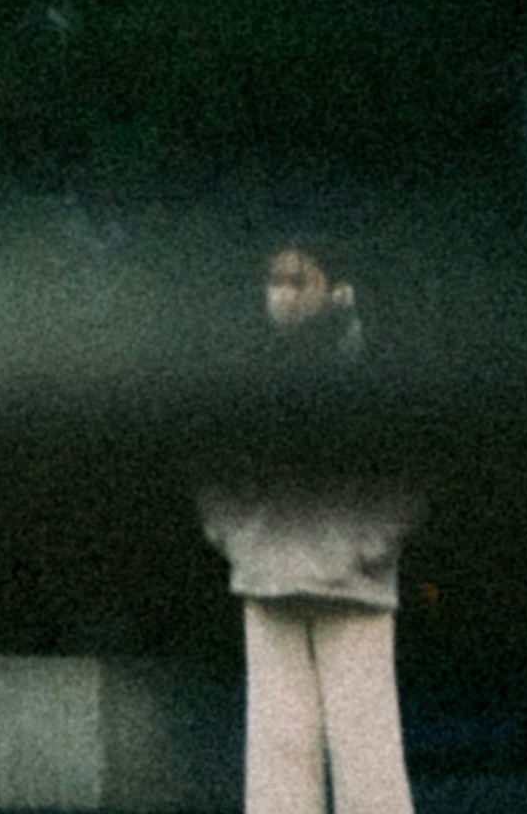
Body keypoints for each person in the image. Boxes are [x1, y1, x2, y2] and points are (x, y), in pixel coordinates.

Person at [204, 242, 415, 814]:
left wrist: (364, 545)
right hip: (271, 577)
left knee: (365, 763)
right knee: (279, 765)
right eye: (274, 280)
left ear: (333, 287)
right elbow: (211, 467)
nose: (283, 295)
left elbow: (409, 469)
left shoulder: (369, 367)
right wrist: (241, 541)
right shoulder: (244, 370)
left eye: (299, 281)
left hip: (349, 583)